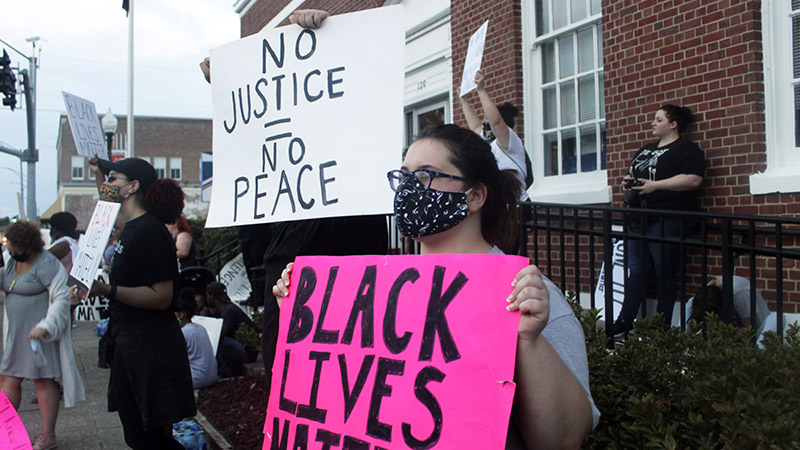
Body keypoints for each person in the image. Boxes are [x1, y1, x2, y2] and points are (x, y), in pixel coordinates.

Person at [274, 124, 599, 448]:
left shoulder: (526, 295)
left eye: (426, 175)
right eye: (404, 176)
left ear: (474, 197)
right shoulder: (382, 289)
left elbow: (564, 438)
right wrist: (308, 315)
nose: (408, 189)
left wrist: (528, 340)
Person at [199, 8, 389, 386]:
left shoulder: (352, 174)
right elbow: (255, 137)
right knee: (289, 378)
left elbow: (359, 89)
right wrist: (228, 85)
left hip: (350, 264)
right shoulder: (284, 193)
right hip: (288, 266)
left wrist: (323, 42)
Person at [72, 157, 196, 449]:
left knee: (147, 438)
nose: (107, 184)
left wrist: (107, 289)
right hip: (131, 342)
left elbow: (162, 296)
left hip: (150, 347)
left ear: (134, 186)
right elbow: (107, 208)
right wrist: (97, 174)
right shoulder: (130, 225)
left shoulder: (149, 231)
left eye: (113, 179)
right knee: (137, 434)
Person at [611, 105, 705, 334]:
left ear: (673, 124)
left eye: (658, 119)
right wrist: (629, 182)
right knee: (637, 271)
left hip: (668, 218)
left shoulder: (686, 149)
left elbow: (693, 180)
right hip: (637, 219)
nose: (653, 123)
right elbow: (635, 174)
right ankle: (624, 322)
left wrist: (655, 186)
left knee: (665, 272)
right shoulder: (646, 149)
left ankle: (661, 327)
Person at [0, 220, 86, 450]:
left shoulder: (47, 263)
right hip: (16, 333)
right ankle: (6, 431)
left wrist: (47, 325)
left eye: (18, 249)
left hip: (40, 334)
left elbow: (60, 298)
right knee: (8, 379)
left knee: (43, 380)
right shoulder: (10, 261)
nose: (14, 252)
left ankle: (48, 435)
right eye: (12, 248)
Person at [460, 69, 532, 200]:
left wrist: (481, 90)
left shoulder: (511, 142)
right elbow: (475, 126)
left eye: (487, 118)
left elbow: (496, 122)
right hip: (501, 207)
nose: (485, 121)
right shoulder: (491, 141)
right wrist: (463, 99)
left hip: (518, 208)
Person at [206, 281, 259, 377]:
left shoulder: (229, 311)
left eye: (207, 295)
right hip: (242, 348)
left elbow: (220, 335)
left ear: (212, 296)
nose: (206, 298)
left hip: (247, 352)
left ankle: (224, 372)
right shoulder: (226, 309)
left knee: (217, 341)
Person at [688, 275, 770, 335]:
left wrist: (724, 339)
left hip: (755, 329)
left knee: (776, 319)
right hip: (729, 329)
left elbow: (749, 327)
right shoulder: (709, 291)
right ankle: (681, 341)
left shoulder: (738, 293)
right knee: (690, 302)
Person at [176, 288, 218, 389]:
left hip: (197, 380)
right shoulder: (200, 328)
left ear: (181, 315)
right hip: (212, 377)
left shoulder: (184, 333)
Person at [47, 211, 82, 326]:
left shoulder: (63, 244)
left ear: (58, 229)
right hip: (67, 293)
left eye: (52, 227)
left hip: (63, 294)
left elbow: (42, 260)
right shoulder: (69, 242)